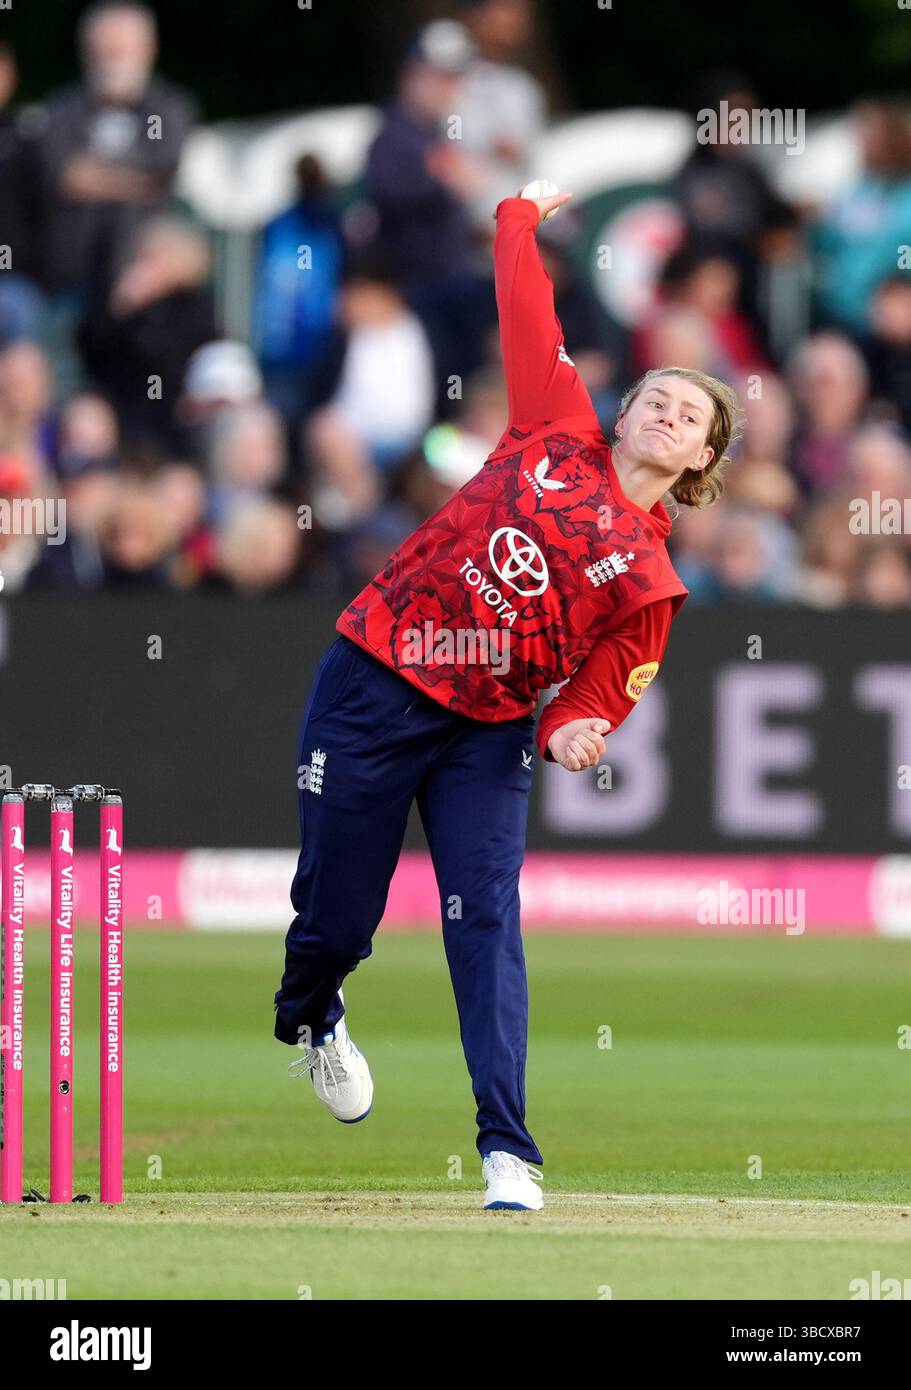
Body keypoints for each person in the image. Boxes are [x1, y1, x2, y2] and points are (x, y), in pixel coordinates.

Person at [273, 187, 741, 1211]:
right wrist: (517, 216)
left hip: (484, 735)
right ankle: (311, 1014)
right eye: (657, 397)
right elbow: (526, 306)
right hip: (372, 676)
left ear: (701, 459)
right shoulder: (550, 423)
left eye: (690, 416)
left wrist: (579, 726)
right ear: (622, 411)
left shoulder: (652, 583)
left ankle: (506, 1150)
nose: (666, 414)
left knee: (482, 918)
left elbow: (603, 687)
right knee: (335, 920)